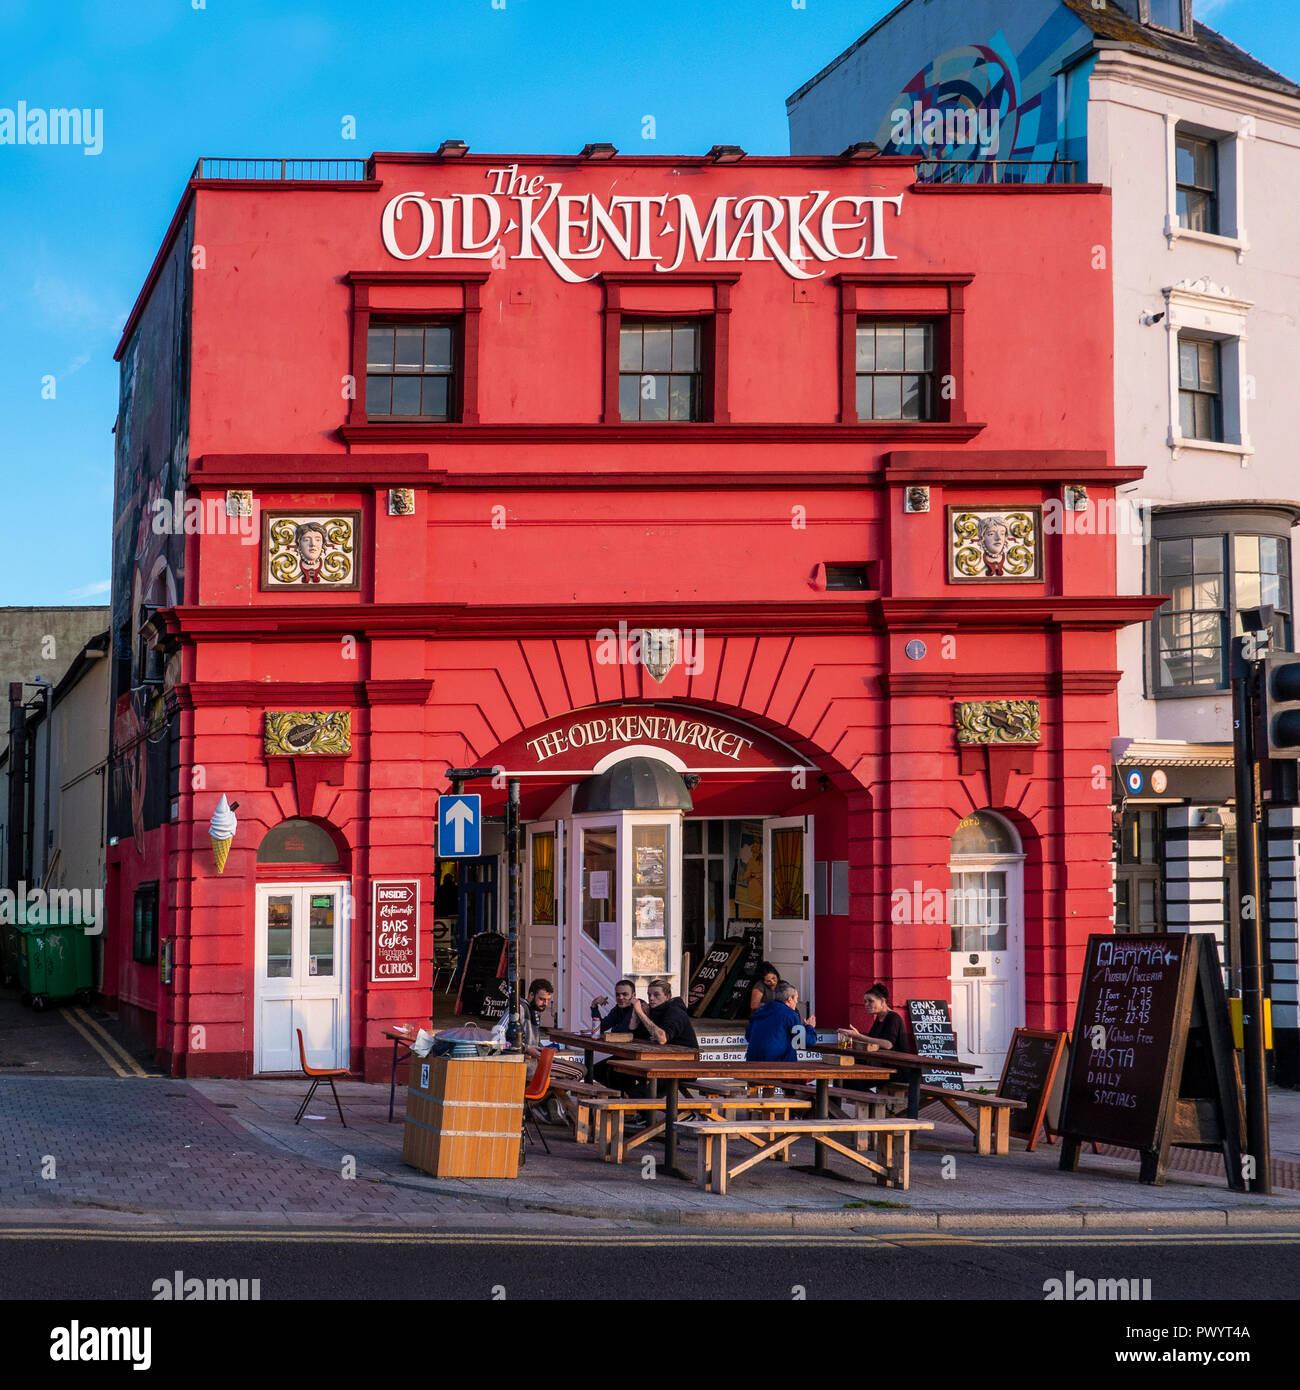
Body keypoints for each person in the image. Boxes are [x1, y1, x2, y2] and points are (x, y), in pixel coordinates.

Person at [745, 981, 816, 1062]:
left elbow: (748, 1036)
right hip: (778, 1065)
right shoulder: (790, 1014)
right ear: (789, 999)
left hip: (753, 1062)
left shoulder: (759, 1011)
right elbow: (802, 1042)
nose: (797, 1002)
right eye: (796, 998)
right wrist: (810, 1027)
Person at [839, 982, 906, 1052]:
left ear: (882, 1001)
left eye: (870, 1001)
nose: (866, 1004)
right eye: (865, 1001)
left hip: (897, 1061)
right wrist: (852, 1036)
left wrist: (858, 1036)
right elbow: (871, 1040)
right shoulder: (879, 1018)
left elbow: (888, 1044)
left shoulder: (894, 1018)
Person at [635, 978, 699, 1049]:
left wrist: (640, 1013)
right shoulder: (653, 1010)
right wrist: (646, 1015)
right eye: (649, 995)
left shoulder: (675, 1012)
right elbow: (638, 1035)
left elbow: (662, 1038)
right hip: (665, 1053)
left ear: (668, 996)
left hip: (686, 1056)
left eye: (656, 995)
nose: (651, 998)